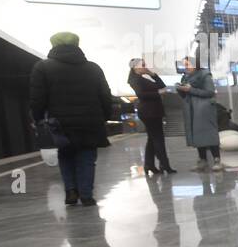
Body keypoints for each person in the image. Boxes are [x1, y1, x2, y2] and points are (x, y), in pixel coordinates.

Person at [29, 30, 117, 207]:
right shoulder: (93, 68)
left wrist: (37, 118)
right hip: (90, 121)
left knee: (66, 154)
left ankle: (70, 191)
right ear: (77, 44)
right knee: (87, 156)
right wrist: (105, 116)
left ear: (53, 44)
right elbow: (105, 96)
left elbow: (37, 98)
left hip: (59, 123)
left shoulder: (43, 67)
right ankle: (86, 195)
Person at [126, 58, 176, 174]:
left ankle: (149, 165)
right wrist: (158, 93)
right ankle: (165, 165)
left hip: (153, 111)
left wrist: (152, 74)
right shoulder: (135, 80)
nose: (145, 66)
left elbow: (161, 85)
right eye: (143, 65)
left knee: (152, 139)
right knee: (158, 139)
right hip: (149, 112)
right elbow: (141, 94)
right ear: (135, 67)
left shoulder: (142, 78)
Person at [176, 56, 223, 172]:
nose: (186, 67)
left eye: (187, 64)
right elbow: (185, 95)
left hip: (204, 109)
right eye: (184, 65)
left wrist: (190, 90)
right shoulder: (185, 77)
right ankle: (202, 160)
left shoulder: (204, 74)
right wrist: (180, 89)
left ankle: (217, 160)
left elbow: (210, 92)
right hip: (191, 109)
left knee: (209, 133)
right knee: (197, 135)